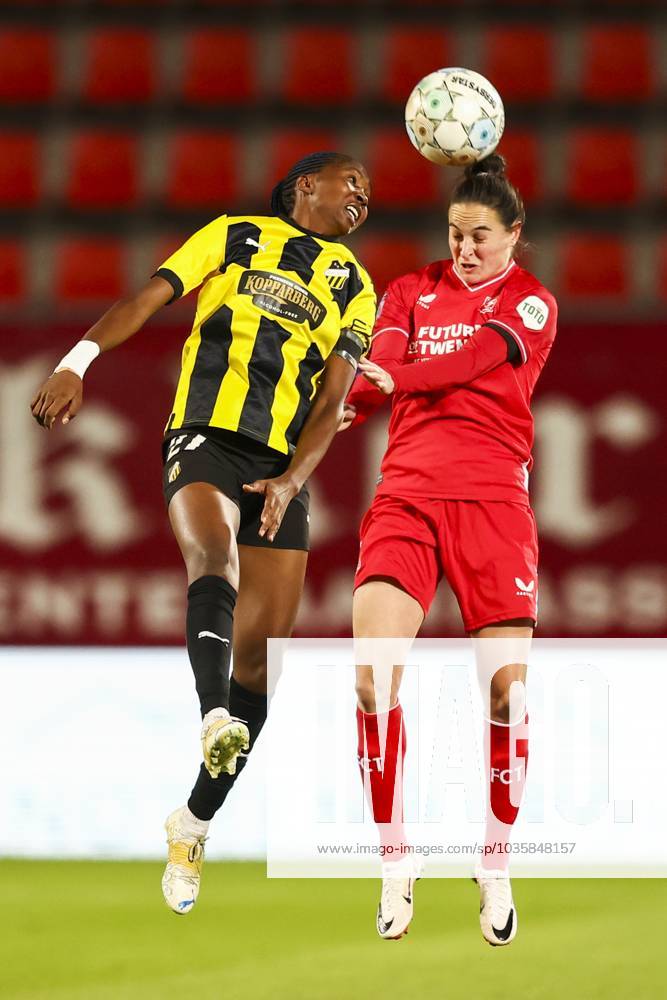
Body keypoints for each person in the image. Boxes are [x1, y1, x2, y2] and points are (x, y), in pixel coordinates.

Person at [30, 151, 375, 914]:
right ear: (303, 186)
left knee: (262, 667)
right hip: (204, 437)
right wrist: (77, 361)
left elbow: (333, 399)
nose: (361, 195)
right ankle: (210, 713)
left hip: (279, 467)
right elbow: (148, 297)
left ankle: (191, 822)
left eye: (368, 191)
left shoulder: (354, 284)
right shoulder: (234, 235)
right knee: (211, 556)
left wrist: (293, 480)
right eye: (348, 180)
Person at [342, 154, 557, 945]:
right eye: (453, 235)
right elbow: (381, 370)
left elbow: (457, 364)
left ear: (513, 237)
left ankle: (494, 862)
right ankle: (396, 858)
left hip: (493, 503)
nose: (463, 249)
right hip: (405, 497)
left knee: (506, 697)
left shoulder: (531, 304)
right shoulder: (407, 289)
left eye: (479, 237)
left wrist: (390, 382)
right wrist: (351, 399)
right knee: (371, 678)